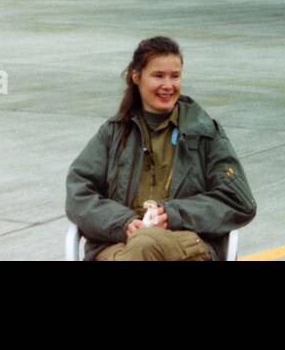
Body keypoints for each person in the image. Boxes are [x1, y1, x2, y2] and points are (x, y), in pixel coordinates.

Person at [65, 36, 255, 260]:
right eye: (158, 76)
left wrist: (173, 214)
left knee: (146, 244)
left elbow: (239, 201)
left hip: (185, 243)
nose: (168, 85)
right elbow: (79, 193)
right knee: (140, 246)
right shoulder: (114, 133)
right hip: (119, 244)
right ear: (137, 77)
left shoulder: (204, 134)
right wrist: (123, 222)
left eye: (175, 76)